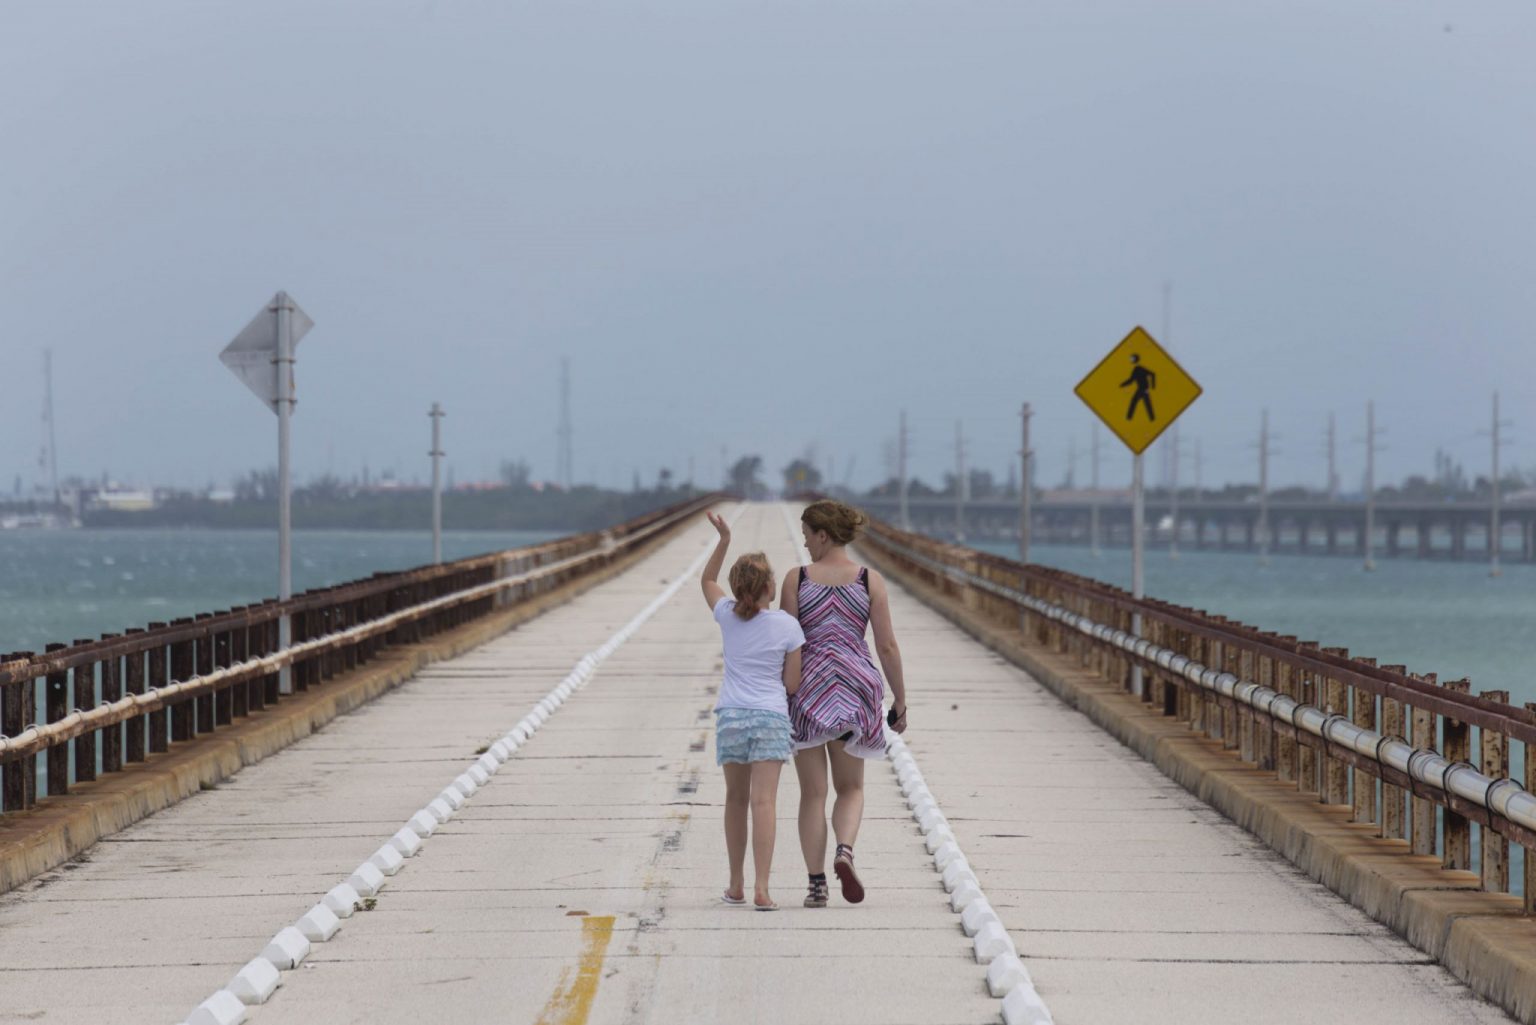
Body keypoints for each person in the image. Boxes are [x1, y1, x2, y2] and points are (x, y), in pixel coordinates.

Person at [780, 499, 907, 907]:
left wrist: (778, 693)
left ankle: (816, 884)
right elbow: (886, 645)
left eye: (807, 536)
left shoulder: (796, 579)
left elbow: (786, 644)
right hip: (855, 688)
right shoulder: (870, 580)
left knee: (812, 794)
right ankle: (845, 851)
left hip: (809, 690)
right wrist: (900, 699)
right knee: (850, 787)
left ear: (823, 534)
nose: (805, 545)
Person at [701, 510, 805, 911]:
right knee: (765, 803)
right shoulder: (787, 627)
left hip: (732, 716)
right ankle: (763, 888)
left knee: (735, 800)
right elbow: (792, 685)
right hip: (770, 717)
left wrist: (724, 540)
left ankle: (736, 884)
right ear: (768, 587)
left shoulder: (727, 615)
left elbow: (706, 580)